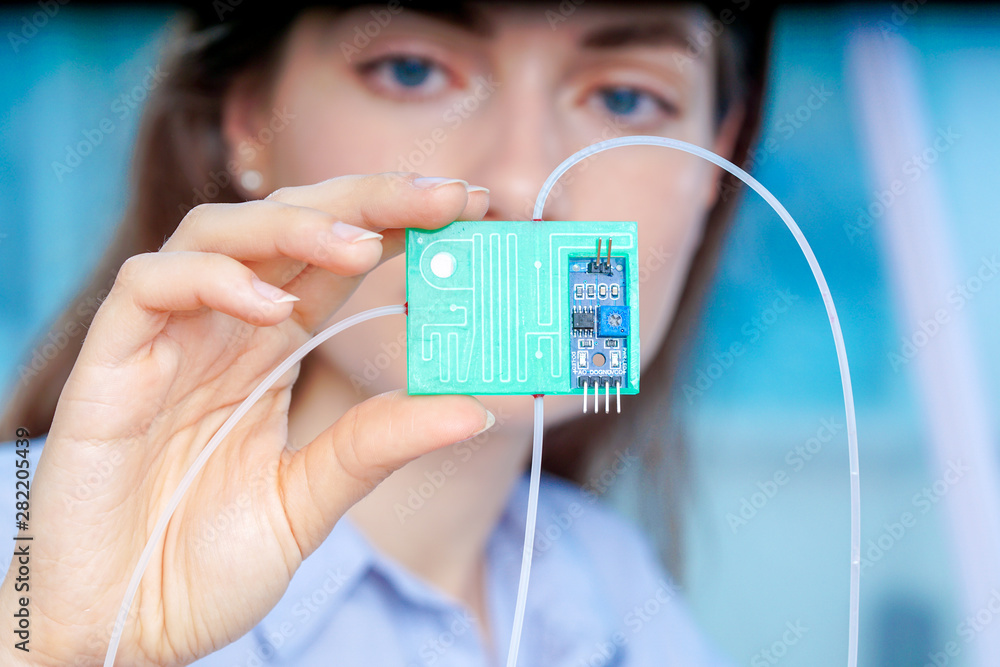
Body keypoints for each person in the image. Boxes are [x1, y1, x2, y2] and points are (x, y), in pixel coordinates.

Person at [0, 2, 772, 664]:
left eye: (628, 99)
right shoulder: (33, 546)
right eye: (412, 70)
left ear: (718, 159)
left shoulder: (618, 584)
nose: (520, 181)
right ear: (249, 119)